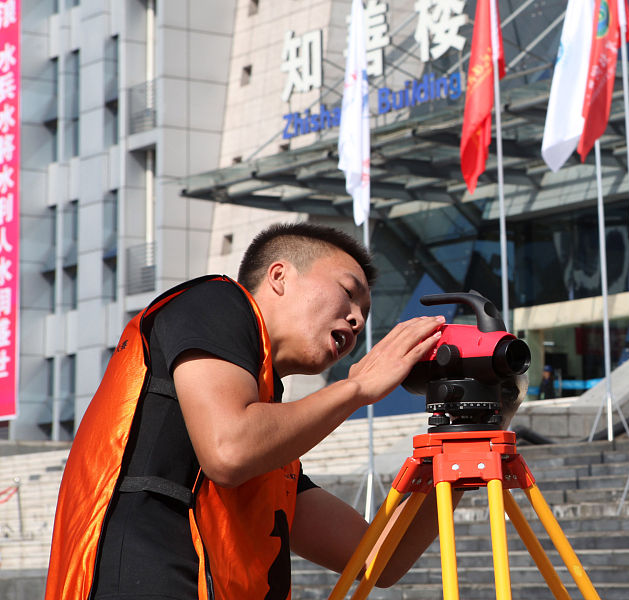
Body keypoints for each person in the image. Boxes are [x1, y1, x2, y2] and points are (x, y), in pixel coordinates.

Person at [44, 221, 471, 600]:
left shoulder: (271, 436)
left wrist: (469, 437)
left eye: (364, 312)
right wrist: (357, 387)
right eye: (348, 292)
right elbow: (229, 450)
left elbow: (379, 556)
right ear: (280, 276)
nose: (357, 320)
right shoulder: (215, 301)